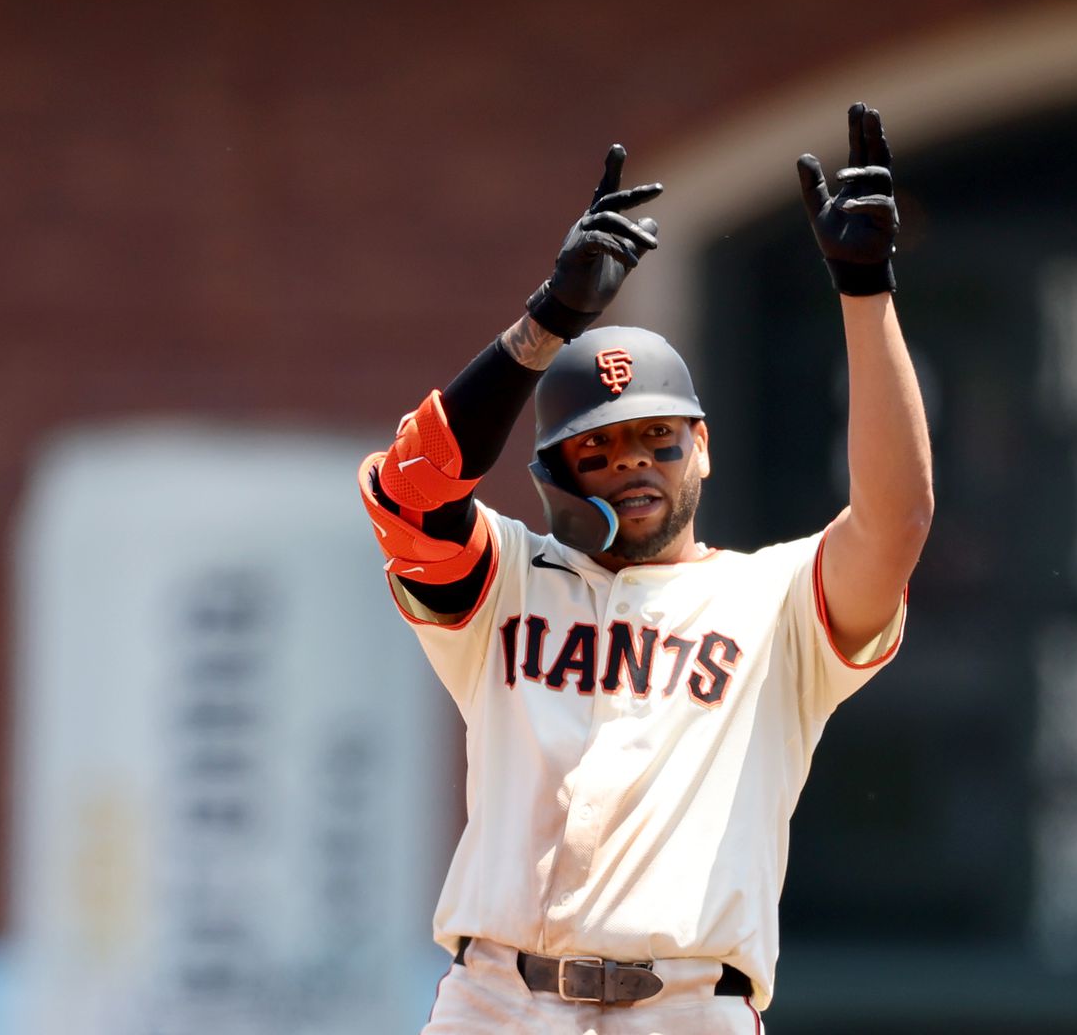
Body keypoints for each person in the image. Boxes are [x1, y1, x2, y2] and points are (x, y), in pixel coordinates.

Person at [359, 103, 933, 1034]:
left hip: (685, 1009)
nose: (632, 463)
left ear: (702, 450)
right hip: (495, 1003)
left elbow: (896, 520)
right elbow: (407, 494)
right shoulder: (502, 579)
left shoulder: (775, 602)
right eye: (601, 447)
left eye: (657, 440)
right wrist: (545, 324)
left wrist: (864, 290)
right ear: (552, 472)